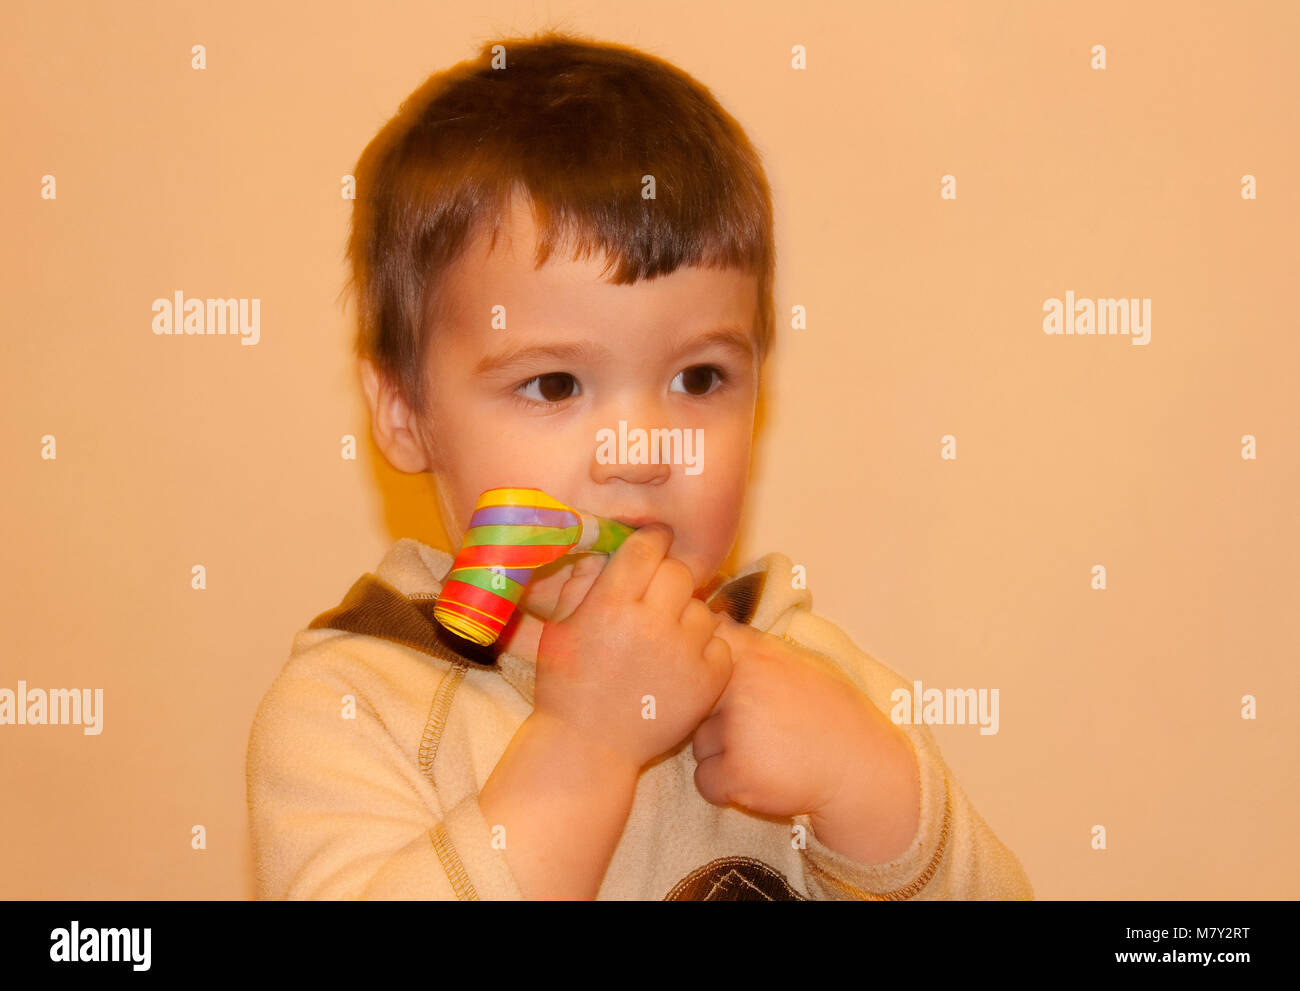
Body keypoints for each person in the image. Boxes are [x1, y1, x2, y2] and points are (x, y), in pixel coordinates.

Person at [246, 30, 1033, 900]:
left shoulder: (805, 669)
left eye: (699, 377)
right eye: (554, 383)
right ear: (405, 415)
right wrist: (585, 747)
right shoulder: (356, 708)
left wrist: (874, 794)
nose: (643, 450)